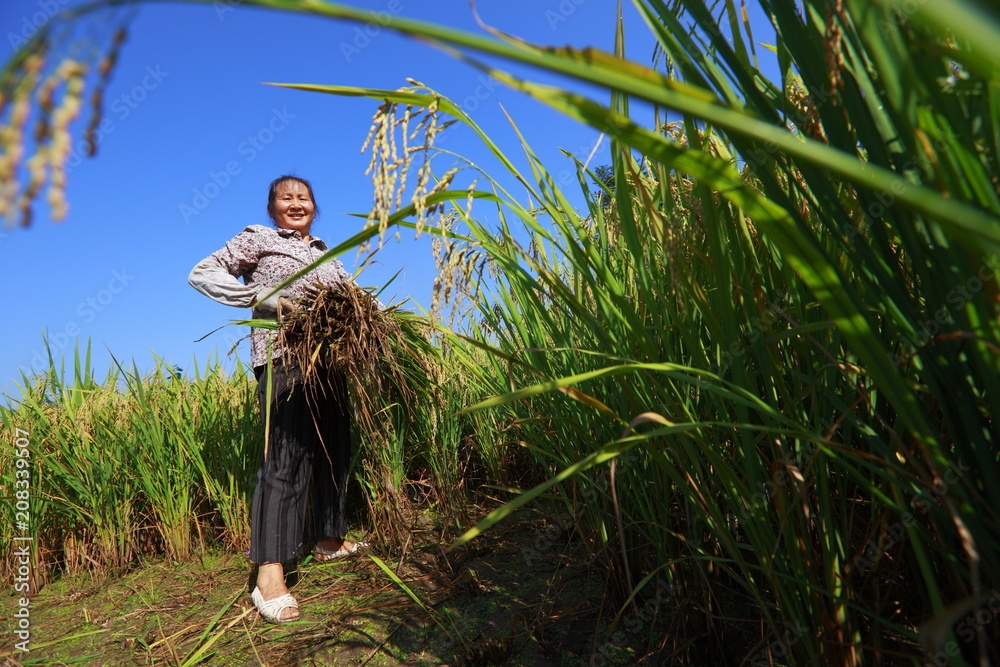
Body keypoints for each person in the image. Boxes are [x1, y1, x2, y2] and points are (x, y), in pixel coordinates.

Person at [188, 175, 367, 623]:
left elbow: (354, 301)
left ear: (314, 207)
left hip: (331, 363)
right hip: (284, 357)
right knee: (283, 460)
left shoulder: (326, 254)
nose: (296, 203)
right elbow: (202, 273)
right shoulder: (260, 239)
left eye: (303, 197)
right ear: (272, 208)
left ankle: (328, 539)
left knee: (332, 452)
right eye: (286, 197)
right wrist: (262, 298)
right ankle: (268, 576)